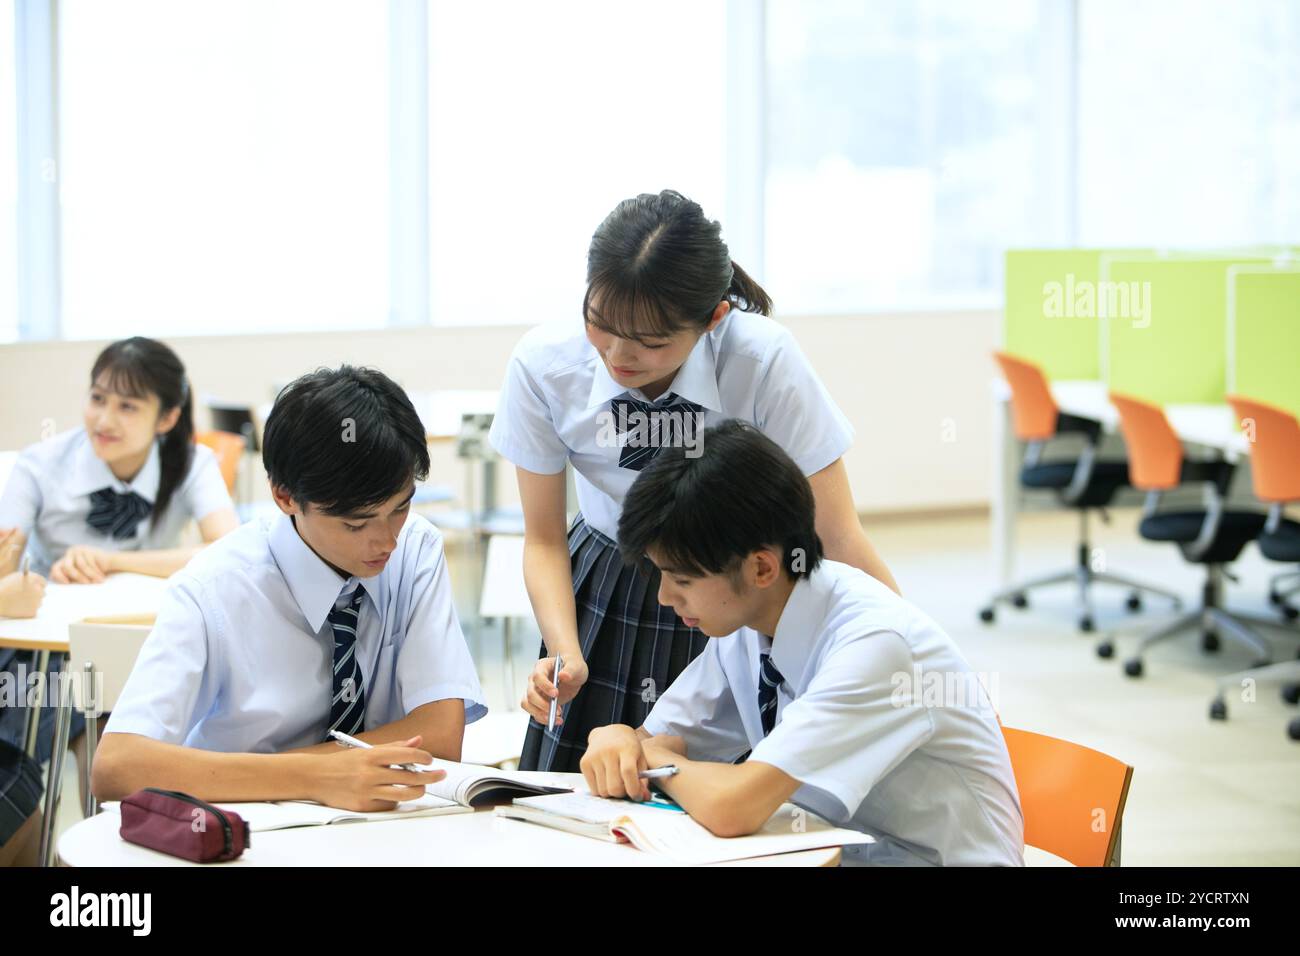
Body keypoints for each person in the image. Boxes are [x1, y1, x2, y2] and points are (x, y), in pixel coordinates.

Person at [490, 189, 899, 771]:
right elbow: (545, 540)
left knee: (744, 786)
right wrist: (564, 651)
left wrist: (913, 654)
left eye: (651, 343)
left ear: (713, 319)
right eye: (600, 325)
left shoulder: (762, 361)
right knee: (598, 776)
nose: (618, 357)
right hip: (610, 578)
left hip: (734, 579)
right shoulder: (544, 365)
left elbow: (836, 536)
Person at [582, 420, 1024, 866]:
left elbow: (733, 807)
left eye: (681, 579)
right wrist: (618, 737)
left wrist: (660, 761)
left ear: (761, 568)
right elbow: (657, 741)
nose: (664, 597)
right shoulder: (749, 622)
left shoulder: (875, 646)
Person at [92, 366, 485, 810]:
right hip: (244, 829)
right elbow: (116, 766)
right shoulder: (213, 588)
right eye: (356, 524)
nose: (386, 540)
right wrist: (316, 776)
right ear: (285, 498)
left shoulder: (416, 549)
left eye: (400, 508)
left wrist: (286, 772)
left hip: (376, 831)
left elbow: (439, 735)